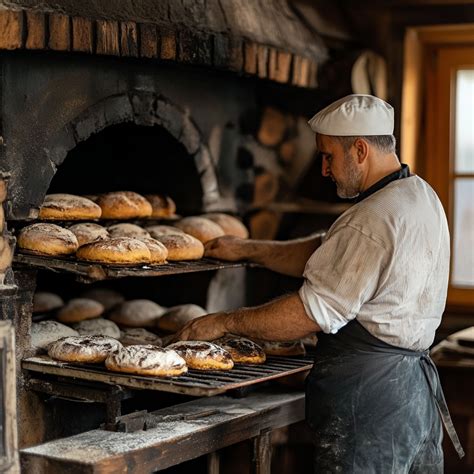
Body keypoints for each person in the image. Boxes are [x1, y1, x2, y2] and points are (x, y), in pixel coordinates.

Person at [174, 95, 464, 473]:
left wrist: (225, 322)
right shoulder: (419, 195)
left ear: (359, 150)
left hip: (370, 402)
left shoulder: (373, 218)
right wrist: (250, 249)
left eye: (328, 157)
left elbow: (311, 311)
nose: (324, 170)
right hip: (410, 394)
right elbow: (329, 252)